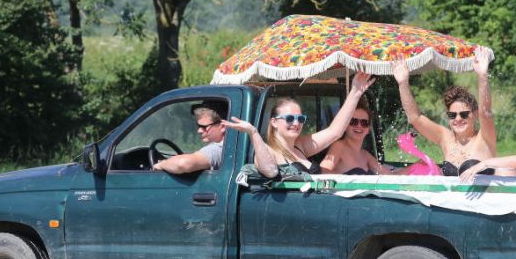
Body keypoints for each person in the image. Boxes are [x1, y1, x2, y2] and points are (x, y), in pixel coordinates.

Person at [223, 72, 376, 178]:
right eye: (289, 118)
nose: (296, 123)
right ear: (274, 122)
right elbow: (270, 171)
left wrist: (355, 92)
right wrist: (253, 133)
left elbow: (335, 132)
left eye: (300, 118)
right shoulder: (269, 151)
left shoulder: (300, 146)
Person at [393, 46, 496, 176]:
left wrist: (482, 75)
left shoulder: (485, 138)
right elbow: (415, 119)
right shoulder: (446, 138)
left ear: (475, 114)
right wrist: (403, 83)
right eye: (452, 115)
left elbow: (485, 113)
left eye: (464, 114)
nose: (458, 119)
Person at [320, 104, 397, 175]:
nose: (359, 125)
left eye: (364, 123)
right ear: (345, 126)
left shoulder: (365, 155)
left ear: (368, 129)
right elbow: (324, 171)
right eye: (353, 121)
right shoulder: (338, 146)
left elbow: (389, 175)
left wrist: (405, 171)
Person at [153, 105, 226, 173]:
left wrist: (161, 164)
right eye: (198, 126)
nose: (199, 131)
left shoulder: (219, 148)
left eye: (204, 127)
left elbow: (182, 164)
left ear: (222, 127)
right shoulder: (227, 146)